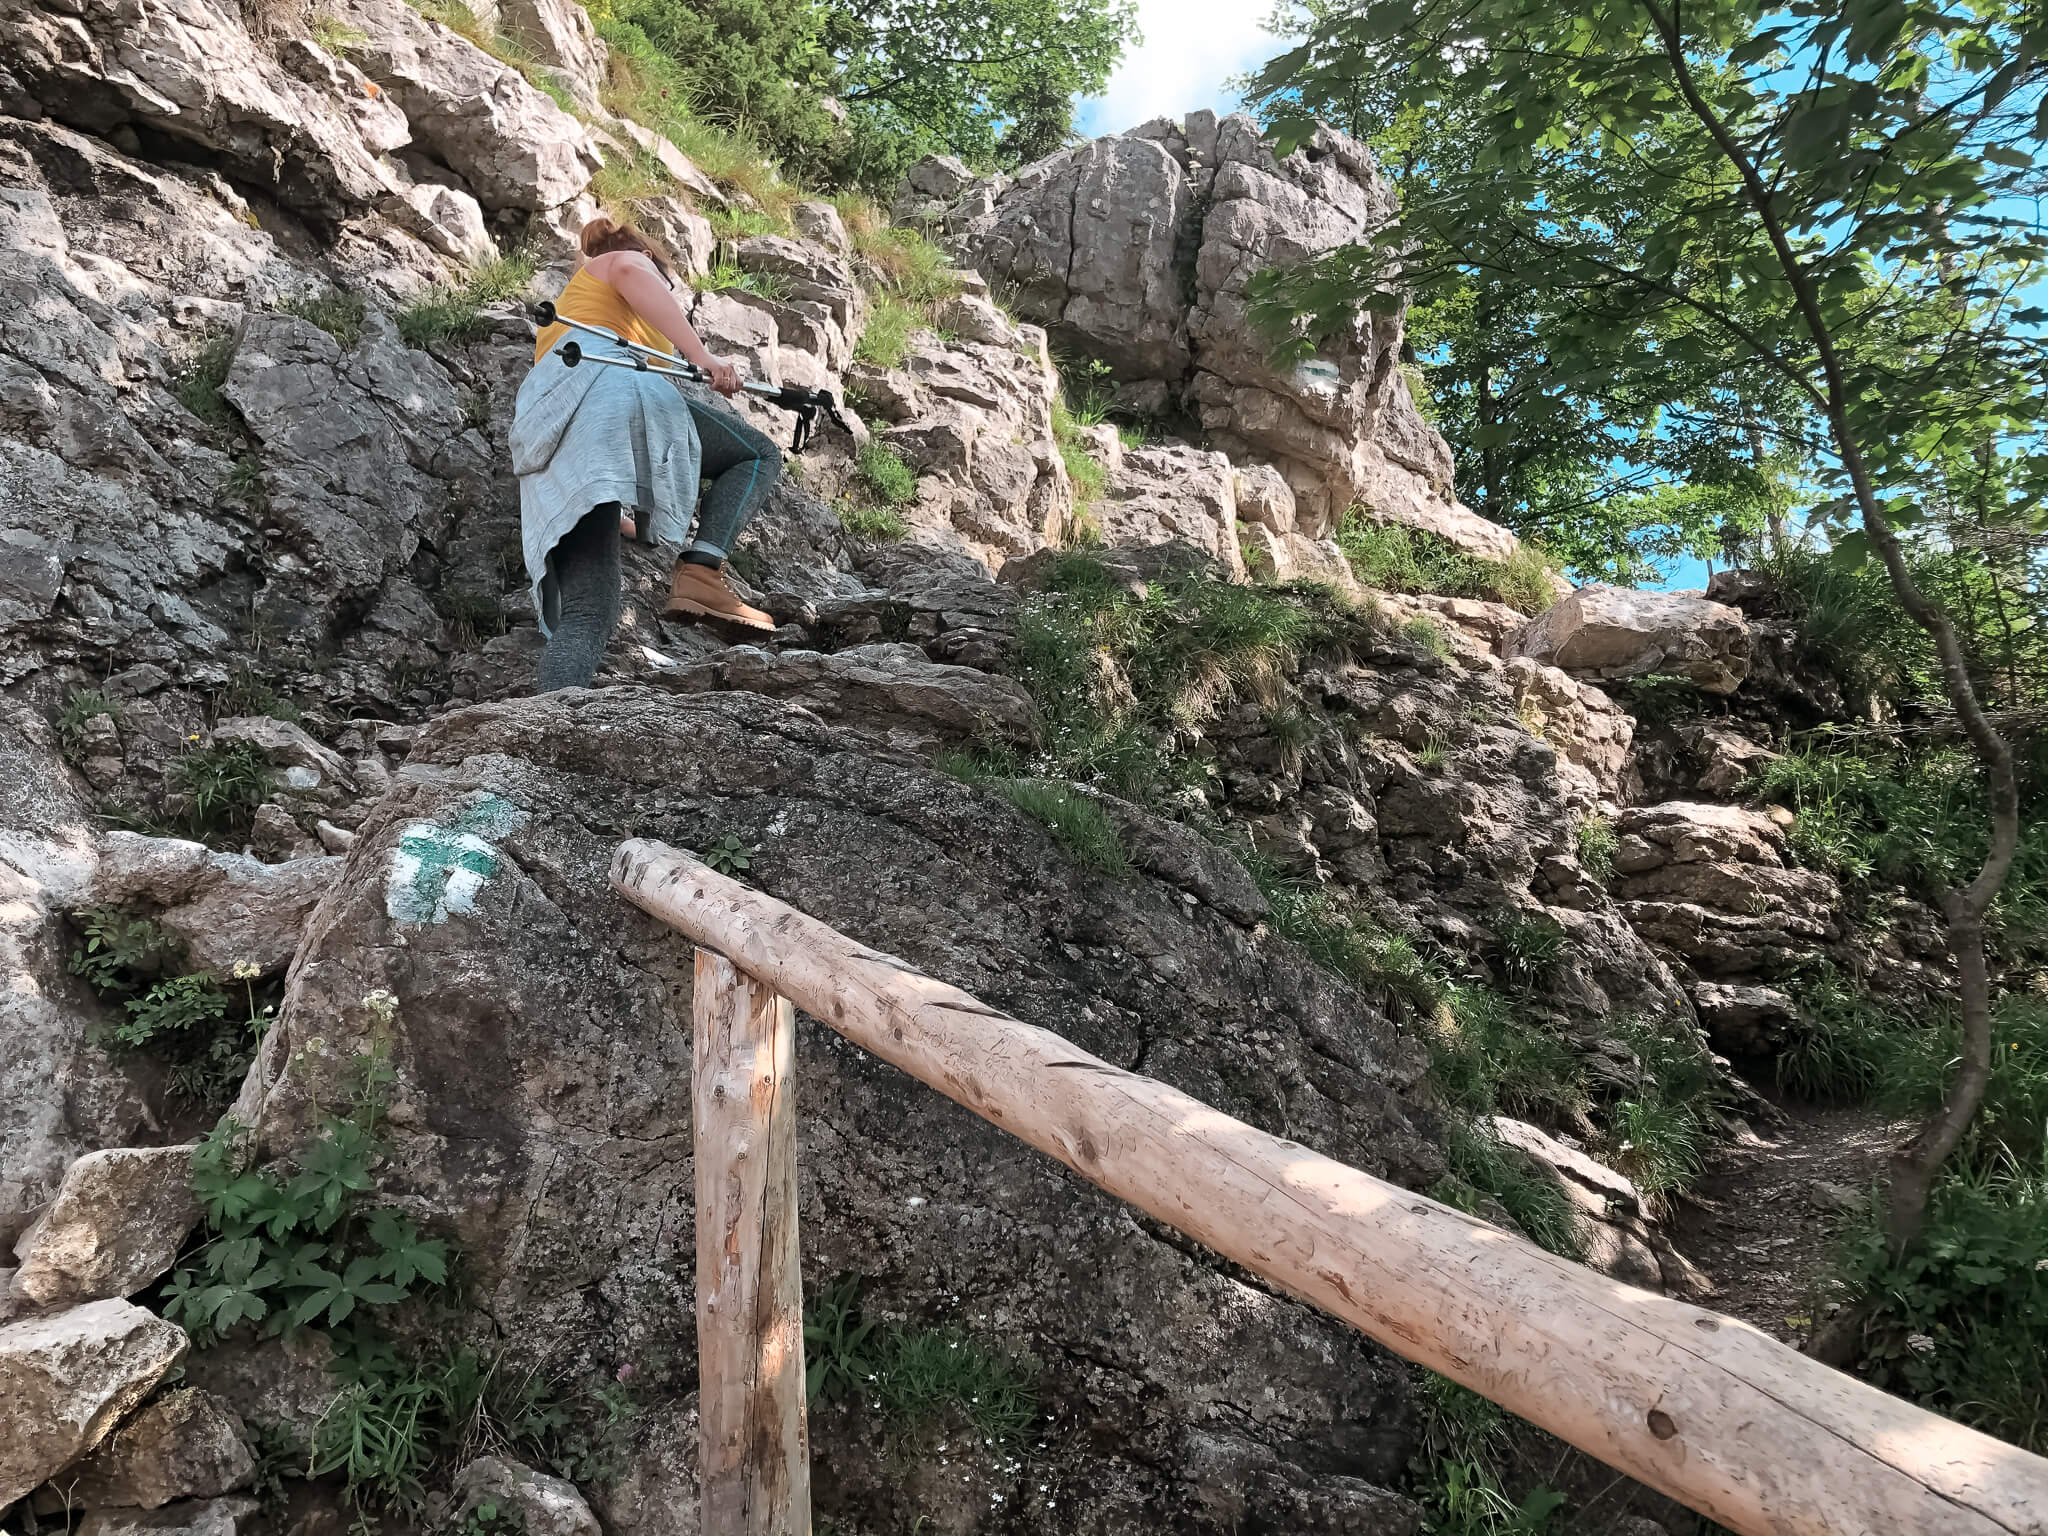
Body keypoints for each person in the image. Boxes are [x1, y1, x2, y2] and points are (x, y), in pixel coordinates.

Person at [511, 216, 781, 692]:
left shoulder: (574, 317)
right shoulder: (624, 260)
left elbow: (601, 444)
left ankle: (545, 723)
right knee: (756, 454)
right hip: (602, 390)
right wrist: (703, 357)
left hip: (551, 437)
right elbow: (634, 275)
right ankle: (701, 570)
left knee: (590, 611)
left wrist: (628, 517)